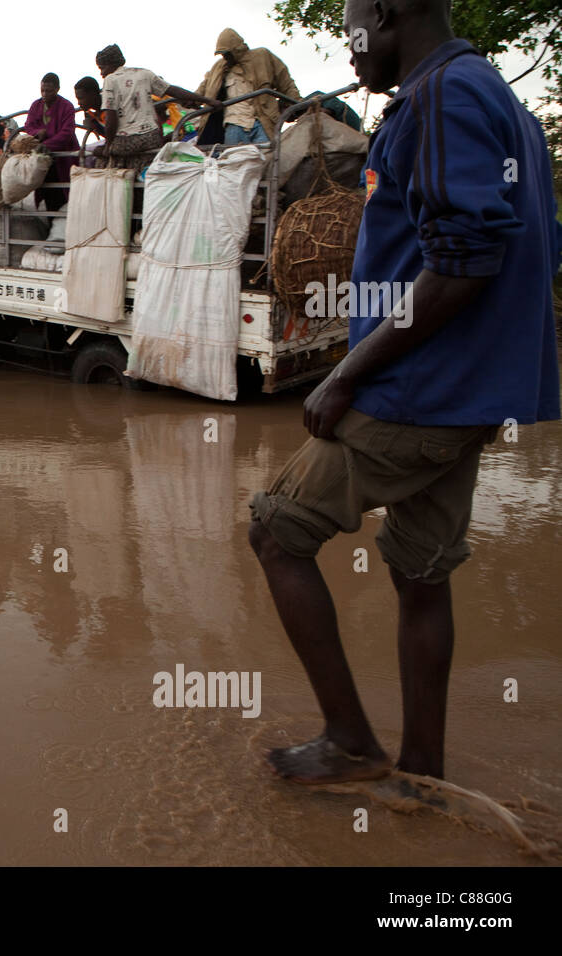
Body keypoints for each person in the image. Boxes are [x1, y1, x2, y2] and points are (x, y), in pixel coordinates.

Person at [248, 0, 561, 785]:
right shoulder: (499, 99)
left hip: (417, 389)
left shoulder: (441, 97)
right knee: (422, 574)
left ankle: (350, 739)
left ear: (387, 13)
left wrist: (349, 374)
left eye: (353, 31)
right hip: (471, 392)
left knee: (276, 531)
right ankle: (421, 772)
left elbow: (464, 260)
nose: (351, 55)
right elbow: (528, 242)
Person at [94, 44, 218, 175]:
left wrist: (108, 146)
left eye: (102, 68)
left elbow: (111, 119)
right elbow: (173, 90)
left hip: (127, 141)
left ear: (112, 63)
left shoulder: (110, 80)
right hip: (152, 138)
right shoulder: (143, 73)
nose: (102, 73)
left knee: (98, 153)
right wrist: (208, 101)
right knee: (140, 168)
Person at [195, 28, 301, 146]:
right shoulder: (218, 68)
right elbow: (203, 89)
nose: (225, 58)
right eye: (223, 54)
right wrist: (190, 99)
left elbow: (286, 84)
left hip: (263, 121)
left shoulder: (262, 56)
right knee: (235, 160)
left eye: (228, 54)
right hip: (234, 123)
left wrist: (299, 107)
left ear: (236, 50)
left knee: (265, 159)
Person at [22, 73, 78, 210]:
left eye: (49, 91)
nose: (45, 94)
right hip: (42, 159)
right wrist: (37, 133)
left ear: (57, 89)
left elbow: (67, 132)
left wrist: (46, 144)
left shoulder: (66, 107)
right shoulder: (36, 105)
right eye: (42, 90)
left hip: (63, 159)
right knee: (47, 193)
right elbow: (28, 126)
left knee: (63, 194)